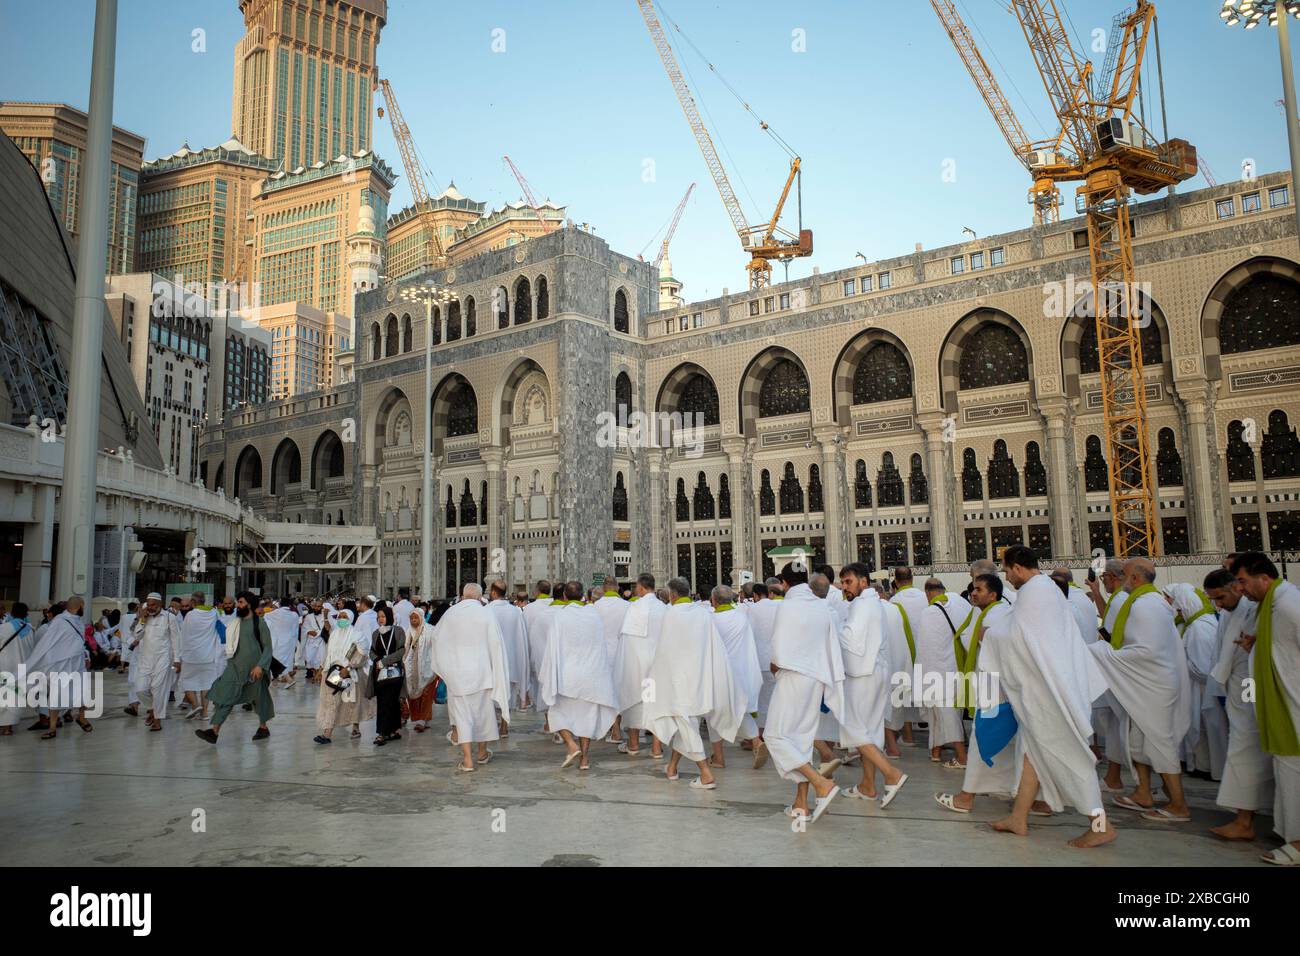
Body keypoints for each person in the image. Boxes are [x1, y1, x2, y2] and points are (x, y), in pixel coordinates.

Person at [981, 546, 1113, 847]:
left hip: (1051, 694)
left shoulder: (1036, 592)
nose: (1005, 576)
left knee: (1072, 759)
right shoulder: (1044, 590)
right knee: (1034, 756)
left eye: (1005, 569)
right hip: (1049, 689)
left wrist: (989, 636)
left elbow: (1019, 638)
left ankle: (1101, 824)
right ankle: (1018, 818)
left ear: (1016, 567)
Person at [1088, 558, 1192, 823]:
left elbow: (1147, 653)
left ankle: (1178, 805)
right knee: (1137, 742)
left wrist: (1103, 654)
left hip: (1154, 686)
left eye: (1123, 574)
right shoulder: (1143, 602)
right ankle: (1143, 792)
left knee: (1160, 743)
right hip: (1144, 684)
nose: (1121, 579)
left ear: (1134, 578)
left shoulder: (1147, 606)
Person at [1230, 552, 1300, 866]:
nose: (1241, 589)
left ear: (1264, 577)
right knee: (1287, 771)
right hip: (1280, 701)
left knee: (1293, 771)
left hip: (1292, 703)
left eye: (1243, 581)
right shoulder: (1271, 606)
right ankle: (1291, 836)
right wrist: (1256, 644)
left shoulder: (1286, 605)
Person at [642, 577, 746, 790]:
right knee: (687, 726)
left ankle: (705, 773)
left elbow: (662, 650)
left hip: (678, 681)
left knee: (687, 726)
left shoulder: (669, 615)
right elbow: (714, 647)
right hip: (700, 679)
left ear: (672, 595)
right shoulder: (703, 613)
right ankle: (672, 768)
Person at [765, 565, 844, 823]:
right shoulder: (821, 606)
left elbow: (777, 648)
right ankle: (801, 804)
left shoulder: (787, 606)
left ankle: (821, 783)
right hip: (816, 679)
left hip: (793, 676)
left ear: (785, 583)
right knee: (800, 739)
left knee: (775, 736)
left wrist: (776, 666)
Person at [935, 573, 1019, 815]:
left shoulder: (998, 614)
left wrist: (986, 634)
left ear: (993, 594)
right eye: (973, 589)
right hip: (988, 686)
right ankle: (1008, 790)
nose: (973, 593)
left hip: (996, 688)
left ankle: (966, 797)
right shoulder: (983, 612)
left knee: (983, 739)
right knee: (1001, 743)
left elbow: (1003, 644)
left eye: (979, 590)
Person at [1203, 568, 1271, 842]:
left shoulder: (1252, 610)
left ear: (1235, 588)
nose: (1218, 604)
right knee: (1242, 748)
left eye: (1220, 597)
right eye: (1213, 600)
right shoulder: (1233, 613)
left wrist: (1249, 703)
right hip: (1237, 691)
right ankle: (1244, 817)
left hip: (1248, 691)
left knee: (1246, 749)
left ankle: (1245, 821)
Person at [836, 564, 908, 804]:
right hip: (875, 672)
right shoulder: (874, 603)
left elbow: (851, 640)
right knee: (869, 732)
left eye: (848, 582)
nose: (844, 587)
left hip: (863, 675)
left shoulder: (861, 605)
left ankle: (891, 774)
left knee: (853, 730)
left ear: (863, 582)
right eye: (843, 583)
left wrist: (831, 632)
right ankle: (867, 786)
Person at [426, 584, 512, 771]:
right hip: (481, 673)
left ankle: (467, 760)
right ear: (480, 597)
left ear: (463, 596)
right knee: (484, 714)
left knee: (462, 716)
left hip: (457, 675)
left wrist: (446, 667)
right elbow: (496, 644)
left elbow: (436, 639)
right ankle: (481, 753)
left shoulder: (450, 614)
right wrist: (497, 669)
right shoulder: (486, 613)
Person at [539, 580, 618, 770]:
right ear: (583, 594)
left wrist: (548, 673)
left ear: (565, 596)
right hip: (591, 676)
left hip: (568, 677)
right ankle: (584, 760)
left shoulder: (560, 616)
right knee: (587, 720)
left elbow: (552, 648)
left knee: (556, 714)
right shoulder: (593, 614)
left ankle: (571, 745)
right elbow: (600, 646)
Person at [1165, 582, 1227, 780]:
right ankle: (1201, 765)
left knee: (1204, 729)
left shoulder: (1199, 628)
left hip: (1201, 688)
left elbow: (1201, 669)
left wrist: (1179, 664)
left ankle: (1207, 767)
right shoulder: (1194, 625)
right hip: (1195, 687)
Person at [195, 592, 274, 745]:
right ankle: (214, 731)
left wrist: (260, 666)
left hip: (254, 669)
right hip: (234, 667)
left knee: (260, 698)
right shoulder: (235, 623)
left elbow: (268, 648)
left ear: (249, 604)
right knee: (225, 696)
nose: (238, 605)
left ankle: (263, 727)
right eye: (238, 602)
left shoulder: (259, 623)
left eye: (241, 602)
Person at [708, 584, 767, 768]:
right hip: (741, 672)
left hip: (718, 674)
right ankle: (757, 742)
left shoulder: (710, 620)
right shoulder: (741, 617)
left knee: (713, 713)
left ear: (714, 600)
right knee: (739, 709)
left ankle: (718, 757)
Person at [610, 573, 666, 758]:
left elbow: (626, 639)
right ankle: (656, 748)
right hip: (658, 664)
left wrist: (624, 666)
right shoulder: (663, 608)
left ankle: (633, 744)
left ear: (641, 588)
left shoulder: (634, 607)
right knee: (656, 703)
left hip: (637, 663)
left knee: (634, 701)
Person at [917, 578, 969, 768]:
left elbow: (924, 647)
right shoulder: (959, 605)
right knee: (946, 713)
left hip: (935, 670)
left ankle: (962, 757)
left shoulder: (928, 613)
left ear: (927, 593)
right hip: (956, 666)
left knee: (945, 714)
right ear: (943, 589)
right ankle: (936, 752)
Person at [128, 593, 181, 732]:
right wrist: (143, 619)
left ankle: (157, 720)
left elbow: (176, 639)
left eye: (153, 605)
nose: (150, 607)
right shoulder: (144, 617)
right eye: (148, 604)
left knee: (159, 690)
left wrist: (177, 660)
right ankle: (152, 709)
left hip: (163, 659)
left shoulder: (170, 617)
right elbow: (137, 635)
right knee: (140, 688)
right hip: (145, 659)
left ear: (159, 605)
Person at [313, 607, 366, 744]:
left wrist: (349, 668)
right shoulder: (334, 634)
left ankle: (355, 727)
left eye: (345, 617)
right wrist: (321, 668)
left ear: (350, 619)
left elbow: (361, 654)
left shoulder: (356, 635)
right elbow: (328, 653)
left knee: (351, 702)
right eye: (340, 616)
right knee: (331, 702)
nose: (342, 619)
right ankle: (327, 733)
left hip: (348, 673)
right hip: (332, 673)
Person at [889, 567, 926, 746]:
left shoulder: (894, 601)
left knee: (903, 697)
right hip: (927, 653)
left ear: (895, 581)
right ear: (912, 579)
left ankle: (909, 736)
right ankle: (937, 741)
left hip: (905, 653)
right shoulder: (925, 597)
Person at [591, 575, 629, 743]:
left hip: (601, 655)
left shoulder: (594, 607)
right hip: (622, 653)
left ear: (605, 589)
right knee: (619, 691)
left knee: (604, 691)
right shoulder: (628, 606)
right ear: (618, 588)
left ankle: (607, 728)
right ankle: (616, 730)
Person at [486, 579, 530, 714]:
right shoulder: (515, 611)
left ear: (493, 593)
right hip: (511, 660)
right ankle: (504, 727)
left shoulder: (486, 610)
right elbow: (521, 638)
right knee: (508, 695)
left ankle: (495, 724)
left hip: (491, 660)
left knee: (491, 695)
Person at [179, 592, 225, 722]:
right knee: (206, 685)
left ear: (193, 603)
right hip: (208, 656)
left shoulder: (190, 615)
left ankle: (195, 706)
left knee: (187, 682)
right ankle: (204, 713)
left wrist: (180, 655)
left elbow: (185, 635)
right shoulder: (214, 613)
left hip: (191, 656)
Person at [747, 579, 782, 737]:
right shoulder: (779, 606)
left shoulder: (753, 609)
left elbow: (750, 633)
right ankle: (777, 730)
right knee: (777, 697)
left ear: (755, 595)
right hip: (778, 658)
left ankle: (761, 734)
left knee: (761, 700)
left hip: (760, 660)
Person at [368, 605, 405, 745]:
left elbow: (401, 650)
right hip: (380, 674)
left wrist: (385, 661)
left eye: (383, 616)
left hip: (394, 673)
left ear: (389, 617)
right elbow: (371, 651)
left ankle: (389, 731)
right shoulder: (375, 633)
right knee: (383, 702)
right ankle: (384, 731)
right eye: (378, 617)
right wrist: (378, 661)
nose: (380, 620)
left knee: (392, 701)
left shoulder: (398, 631)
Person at [523, 580, 555, 715]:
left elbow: (524, 632)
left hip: (537, 653)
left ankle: (548, 722)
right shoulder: (556, 607)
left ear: (537, 591)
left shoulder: (529, 609)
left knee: (539, 687)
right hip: (556, 655)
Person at [0, 603, 33, 735]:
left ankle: (4, 725)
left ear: (12, 613)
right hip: (23, 669)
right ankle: (8, 727)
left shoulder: (4, 628)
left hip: (5, 667)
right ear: (26, 614)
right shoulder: (31, 629)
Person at [403, 609, 437, 733]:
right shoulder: (409, 631)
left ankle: (422, 720)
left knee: (426, 694)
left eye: (416, 618)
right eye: (411, 618)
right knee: (413, 692)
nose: (414, 621)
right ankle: (420, 718)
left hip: (428, 667)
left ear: (421, 618)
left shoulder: (430, 630)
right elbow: (406, 648)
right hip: (412, 667)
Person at [264, 600, 301, 689]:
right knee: (284, 661)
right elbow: (296, 627)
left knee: (276, 662)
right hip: (290, 642)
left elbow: (264, 616)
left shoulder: (275, 613)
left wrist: (272, 609)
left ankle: (289, 680)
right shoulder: (294, 615)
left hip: (278, 642)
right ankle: (275, 682)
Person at [301, 601, 326, 682]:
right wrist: (309, 631)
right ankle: (314, 673)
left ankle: (319, 675)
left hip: (321, 640)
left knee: (320, 658)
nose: (317, 608)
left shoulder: (324, 616)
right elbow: (304, 627)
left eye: (319, 606)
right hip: (311, 641)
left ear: (321, 607)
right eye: (315, 606)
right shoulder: (309, 617)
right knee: (310, 658)